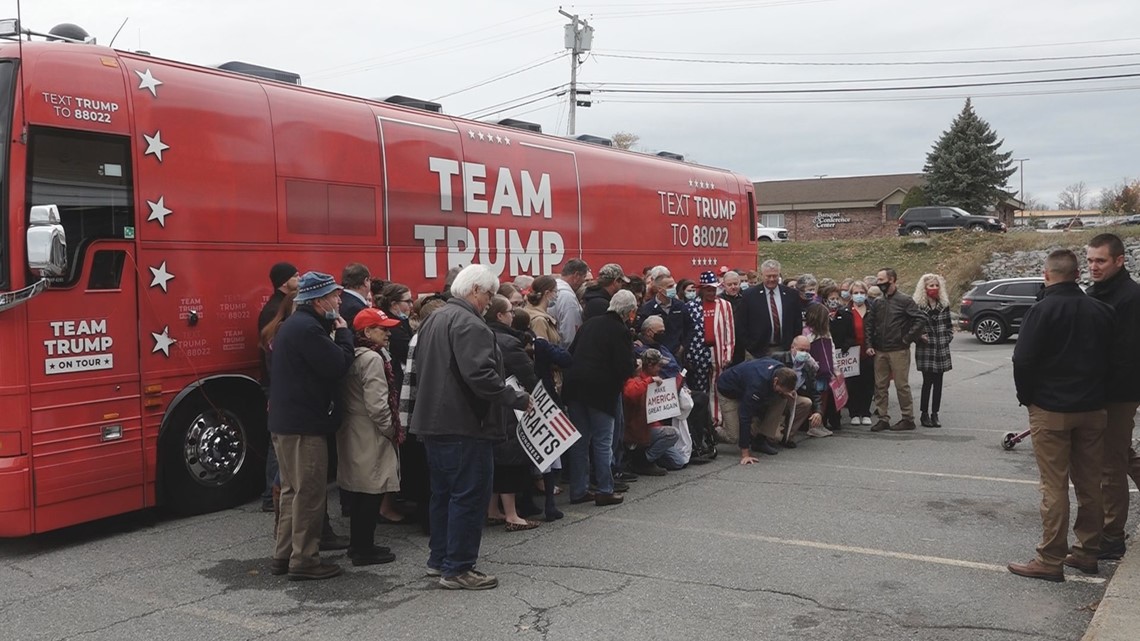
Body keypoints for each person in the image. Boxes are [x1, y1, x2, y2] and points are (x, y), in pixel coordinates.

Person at [409, 264, 531, 590]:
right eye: (490, 294)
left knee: (444, 494)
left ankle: (441, 560)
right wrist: (516, 398)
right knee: (469, 496)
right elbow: (480, 377)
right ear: (475, 290)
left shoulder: (435, 318)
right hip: (464, 423)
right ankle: (459, 567)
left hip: (436, 422)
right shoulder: (469, 324)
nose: (491, 302)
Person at [1008, 249, 1116, 582]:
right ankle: (1087, 551)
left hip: (1051, 409)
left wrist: (1028, 399)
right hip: (1093, 408)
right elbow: (1113, 359)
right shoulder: (1102, 310)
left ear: (1047, 274)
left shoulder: (1041, 311)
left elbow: (1023, 360)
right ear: (1077, 274)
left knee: (1053, 486)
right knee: (1089, 484)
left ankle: (1050, 558)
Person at [268, 271, 356, 581]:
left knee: (293, 491)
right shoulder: (308, 329)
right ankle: (304, 558)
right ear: (319, 301)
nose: (339, 300)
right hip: (304, 424)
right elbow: (337, 365)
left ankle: (284, 554)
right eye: (334, 296)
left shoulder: (295, 325)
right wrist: (345, 335)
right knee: (309, 493)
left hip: (286, 421)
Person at [1085, 233, 1140, 560]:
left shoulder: (1130, 297)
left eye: (1100, 261)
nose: (1093, 266)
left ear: (1119, 261)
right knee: (1120, 453)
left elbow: (1125, 355)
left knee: (1110, 464)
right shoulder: (1097, 292)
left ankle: (1111, 536)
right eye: (1090, 260)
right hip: (1098, 390)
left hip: (1117, 393)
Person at [337, 308, 402, 566]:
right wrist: (391, 430)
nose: (388, 334)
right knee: (371, 491)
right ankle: (364, 548)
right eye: (383, 329)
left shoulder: (352, 354)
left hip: (353, 429)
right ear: (367, 331)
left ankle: (358, 544)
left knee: (359, 490)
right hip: (370, 431)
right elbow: (377, 405)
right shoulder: (373, 360)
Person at [562, 289, 639, 506]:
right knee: (603, 441)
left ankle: (578, 490)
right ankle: (605, 489)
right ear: (630, 312)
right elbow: (624, 367)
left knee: (579, 441)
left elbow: (571, 352)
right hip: (601, 390)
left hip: (575, 386)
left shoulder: (590, 324)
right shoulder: (620, 330)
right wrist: (635, 366)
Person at [484, 296, 542, 532]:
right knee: (510, 459)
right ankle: (511, 514)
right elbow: (528, 374)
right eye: (510, 310)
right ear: (500, 315)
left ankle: (492, 509)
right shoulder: (508, 342)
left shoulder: (484, 335)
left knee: (496, 460)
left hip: (489, 405)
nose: (514, 313)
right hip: (509, 405)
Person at [257, 262, 298, 512]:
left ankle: (273, 493)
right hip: (276, 386)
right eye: (296, 276)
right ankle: (270, 495)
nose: (299, 278)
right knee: (277, 444)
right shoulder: (274, 311)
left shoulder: (273, 308)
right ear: (284, 282)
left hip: (274, 385)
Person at [865, 268, 925, 432]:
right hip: (880, 350)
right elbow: (869, 325)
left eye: (881, 279)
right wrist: (869, 345)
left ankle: (908, 418)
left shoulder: (905, 300)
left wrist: (907, 338)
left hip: (899, 349)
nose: (879, 282)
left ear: (892, 280)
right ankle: (883, 418)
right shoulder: (878, 302)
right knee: (880, 385)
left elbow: (920, 319)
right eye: (878, 279)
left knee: (901, 385)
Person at [715, 360, 800, 465]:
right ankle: (710, 431)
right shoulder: (758, 384)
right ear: (776, 380)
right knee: (733, 436)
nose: (780, 392)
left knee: (782, 398)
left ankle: (761, 439)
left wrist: (784, 393)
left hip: (745, 386)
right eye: (780, 389)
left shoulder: (781, 369)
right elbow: (744, 415)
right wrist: (745, 454)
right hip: (728, 390)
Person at [623, 349, 685, 475]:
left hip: (654, 428)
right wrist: (649, 381)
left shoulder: (658, 380)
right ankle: (642, 462)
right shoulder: (636, 380)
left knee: (678, 462)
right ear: (650, 365)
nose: (660, 369)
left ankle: (648, 456)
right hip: (639, 430)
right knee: (672, 433)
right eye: (659, 366)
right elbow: (629, 393)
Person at [686, 271, 735, 420]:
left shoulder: (725, 305)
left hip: (718, 350)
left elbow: (730, 331)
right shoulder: (691, 306)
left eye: (713, 289)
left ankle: (716, 419)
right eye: (708, 289)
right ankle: (702, 420)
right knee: (700, 388)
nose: (711, 292)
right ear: (701, 289)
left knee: (716, 386)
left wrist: (728, 354)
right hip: (698, 353)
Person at [738, 259, 803, 358]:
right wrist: (750, 346)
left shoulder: (791, 294)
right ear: (762, 275)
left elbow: (797, 323)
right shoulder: (749, 295)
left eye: (775, 276)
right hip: (757, 351)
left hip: (785, 349)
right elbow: (742, 324)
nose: (772, 279)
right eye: (768, 276)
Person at [913, 274, 953, 428]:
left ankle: (935, 413)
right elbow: (912, 326)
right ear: (924, 288)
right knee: (927, 382)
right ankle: (924, 413)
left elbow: (949, 325)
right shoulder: (918, 306)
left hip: (941, 347)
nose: (934, 288)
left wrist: (948, 337)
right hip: (926, 349)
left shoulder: (943, 304)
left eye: (936, 285)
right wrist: (919, 337)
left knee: (939, 383)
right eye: (931, 286)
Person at [637, 267, 693, 358]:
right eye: (670, 287)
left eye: (674, 285)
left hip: (677, 355)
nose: (673, 289)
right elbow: (641, 332)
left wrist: (682, 347)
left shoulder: (680, 306)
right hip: (656, 357)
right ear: (660, 289)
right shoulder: (648, 309)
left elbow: (689, 328)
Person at [802, 304, 836, 438]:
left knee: (824, 396)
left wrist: (835, 367)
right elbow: (805, 352)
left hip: (826, 371)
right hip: (814, 371)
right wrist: (813, 366)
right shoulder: (806, 333)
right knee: (814, 396)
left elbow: (832, 349)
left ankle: (820, 422)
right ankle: (813, 425)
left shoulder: (826, 333)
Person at [845, 281, 875, 426]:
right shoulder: (845, 311)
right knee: (853, 384)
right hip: (851, 353)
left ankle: (866, 411)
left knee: (868, 383)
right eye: (856, 293)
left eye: (862, 293)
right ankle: (854, 412)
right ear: (851, 295)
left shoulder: (872, 310)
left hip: (868, 351)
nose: (859, 296)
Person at [552, 258, 590, 348]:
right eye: (584, 277)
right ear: (576, 275)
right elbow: (570, 334)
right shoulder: (568, 298)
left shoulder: (553, 290)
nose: (584, 282)